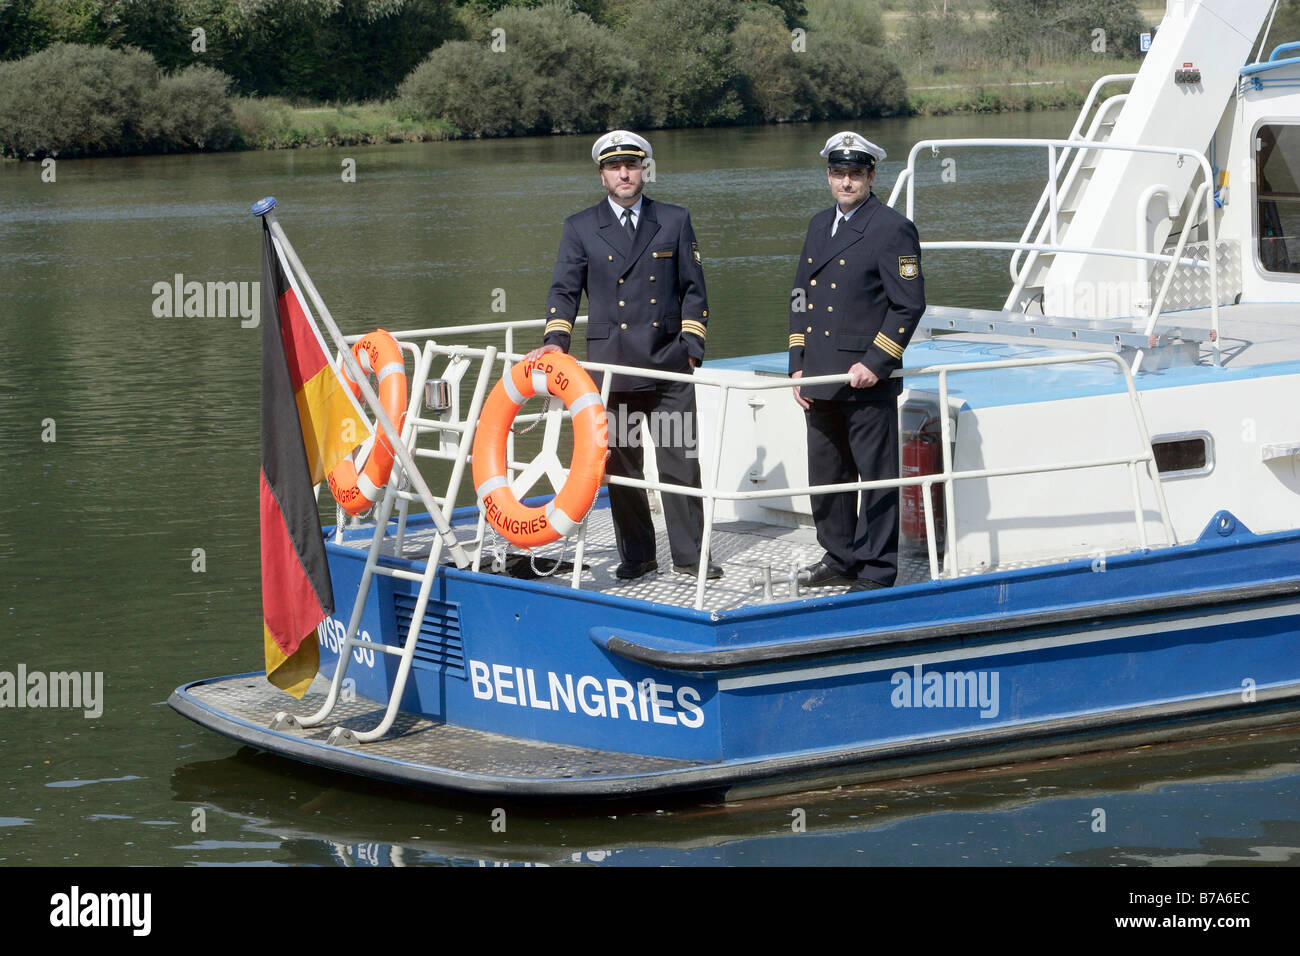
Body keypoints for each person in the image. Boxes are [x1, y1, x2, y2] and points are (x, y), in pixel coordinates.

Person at [526, 130, 720, 582]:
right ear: (603, 176)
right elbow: (564, 291)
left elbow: (694, 290)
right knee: (623, 468)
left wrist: (692, 349)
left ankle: (692, 558)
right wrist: (556, 341)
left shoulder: (673, 219)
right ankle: (638, 556)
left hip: (669, 367)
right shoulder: (580, 227)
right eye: (615, 167)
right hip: (613, 371)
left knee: (680, 465)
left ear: (644, 170)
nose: (624, 173)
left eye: (632, 166)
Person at [788, 131, 926, 591]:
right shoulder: (815, 225)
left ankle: (877, 568)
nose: (846, 182)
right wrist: (797, 364)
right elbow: (800, 297)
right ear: (829, 177)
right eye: (839, 173)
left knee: (877, 477)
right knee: (827, 477)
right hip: (821, 375)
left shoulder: (892, 227)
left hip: (866, 378)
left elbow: (908, 304)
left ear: (870, 177)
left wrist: (876, 362)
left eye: (856, 174)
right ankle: (840, 556)